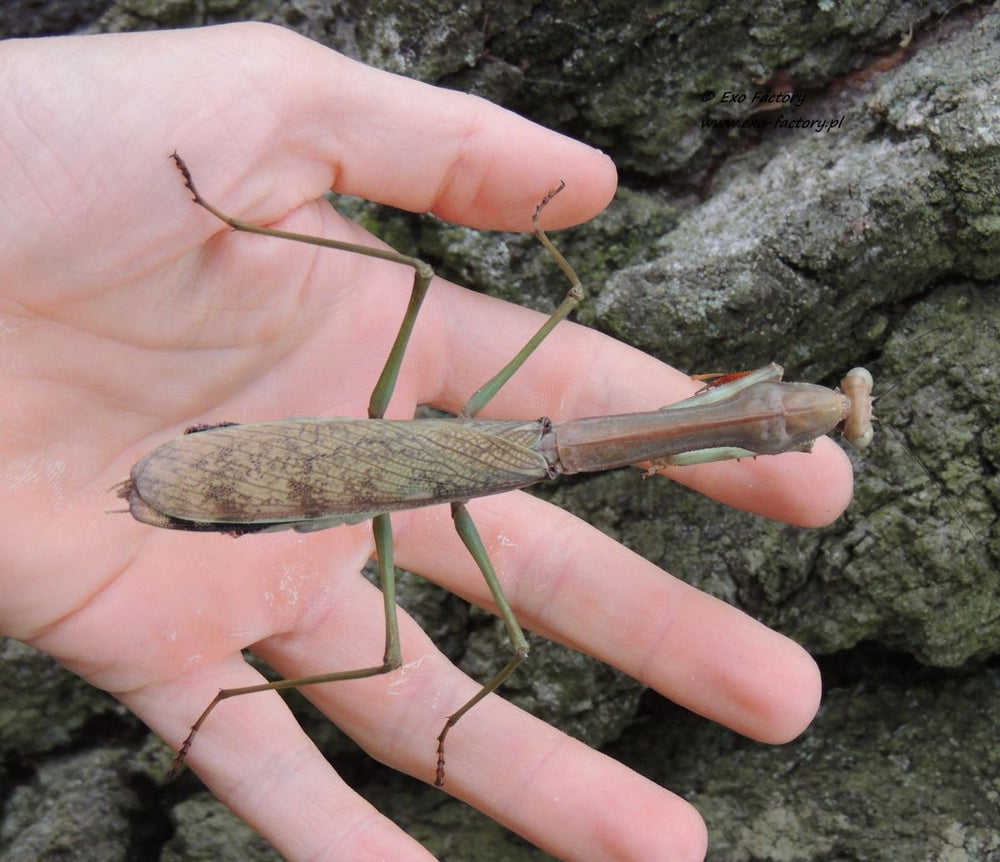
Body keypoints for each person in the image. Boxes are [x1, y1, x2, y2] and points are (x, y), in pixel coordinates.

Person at [0, 23, 850, 861]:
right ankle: (236, 697)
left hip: (322, 469)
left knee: (425, 292)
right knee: (482, 644)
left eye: (761, 422)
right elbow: (695, 425)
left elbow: (594, 314)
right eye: (763, 418)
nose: (758, 414)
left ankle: (237, 691)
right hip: (275, 468)